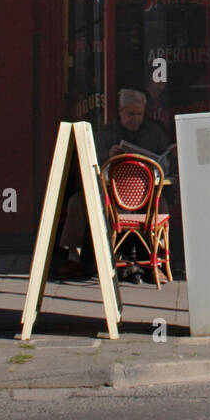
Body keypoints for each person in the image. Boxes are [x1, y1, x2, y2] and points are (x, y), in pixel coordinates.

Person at [55, 88, 170, 280]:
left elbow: (166, 164)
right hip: (108, 196)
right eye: (131, 114)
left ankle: (155, 261)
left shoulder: (154, 134)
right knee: (77, 202)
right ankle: (73, 259)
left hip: (145, 198)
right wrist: (106, 155)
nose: (135, 118)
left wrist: (166, 160)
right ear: (121, 111)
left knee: (163, 206)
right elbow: (90, 162)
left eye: (139, 114)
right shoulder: (106, 133)